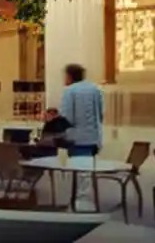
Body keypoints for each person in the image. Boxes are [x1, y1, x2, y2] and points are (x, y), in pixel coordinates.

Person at [60, 63, 104, 211]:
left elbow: (67, 117)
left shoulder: (70, 91)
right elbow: (100, 113)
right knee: (86, 172)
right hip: (93, 137)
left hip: (76, 138)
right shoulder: (95, 89)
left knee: (78, 172)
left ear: (70, 76)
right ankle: (85, 201)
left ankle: (79, 203)